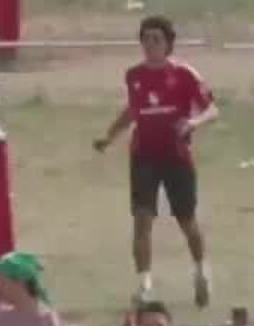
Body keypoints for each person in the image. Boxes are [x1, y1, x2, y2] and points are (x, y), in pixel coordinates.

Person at [93, 15, 218, 307]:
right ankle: (145, 285)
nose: (150, 45)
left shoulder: (184, 74)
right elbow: (133, 111)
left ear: (168, 44)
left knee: (187, 221)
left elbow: (212, 110)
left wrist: (192, 122)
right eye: (145, 39)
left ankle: (201, 272)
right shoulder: (134, 75)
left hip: (176, 156)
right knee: (142, 220)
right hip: (143, 156)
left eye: (156, 39)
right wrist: (109, 137)